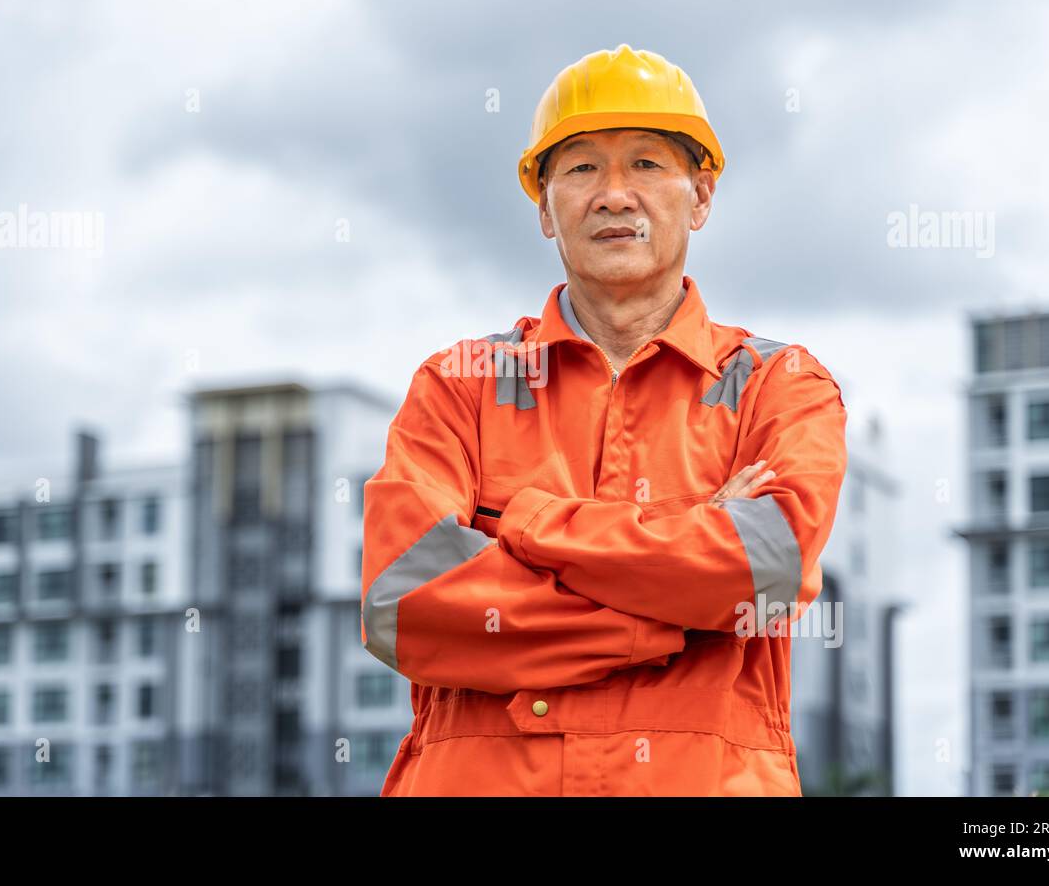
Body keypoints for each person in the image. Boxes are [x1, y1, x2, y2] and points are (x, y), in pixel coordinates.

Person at [360, 44, 848, 795]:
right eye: (582, 168)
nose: (614, 195)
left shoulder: (777, 386)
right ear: (544, 207)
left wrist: (529, 527)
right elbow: (406, 605)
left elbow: (762, 573)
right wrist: (674, 611)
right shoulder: (459, 386)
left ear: (701, 195)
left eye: (646, 164)